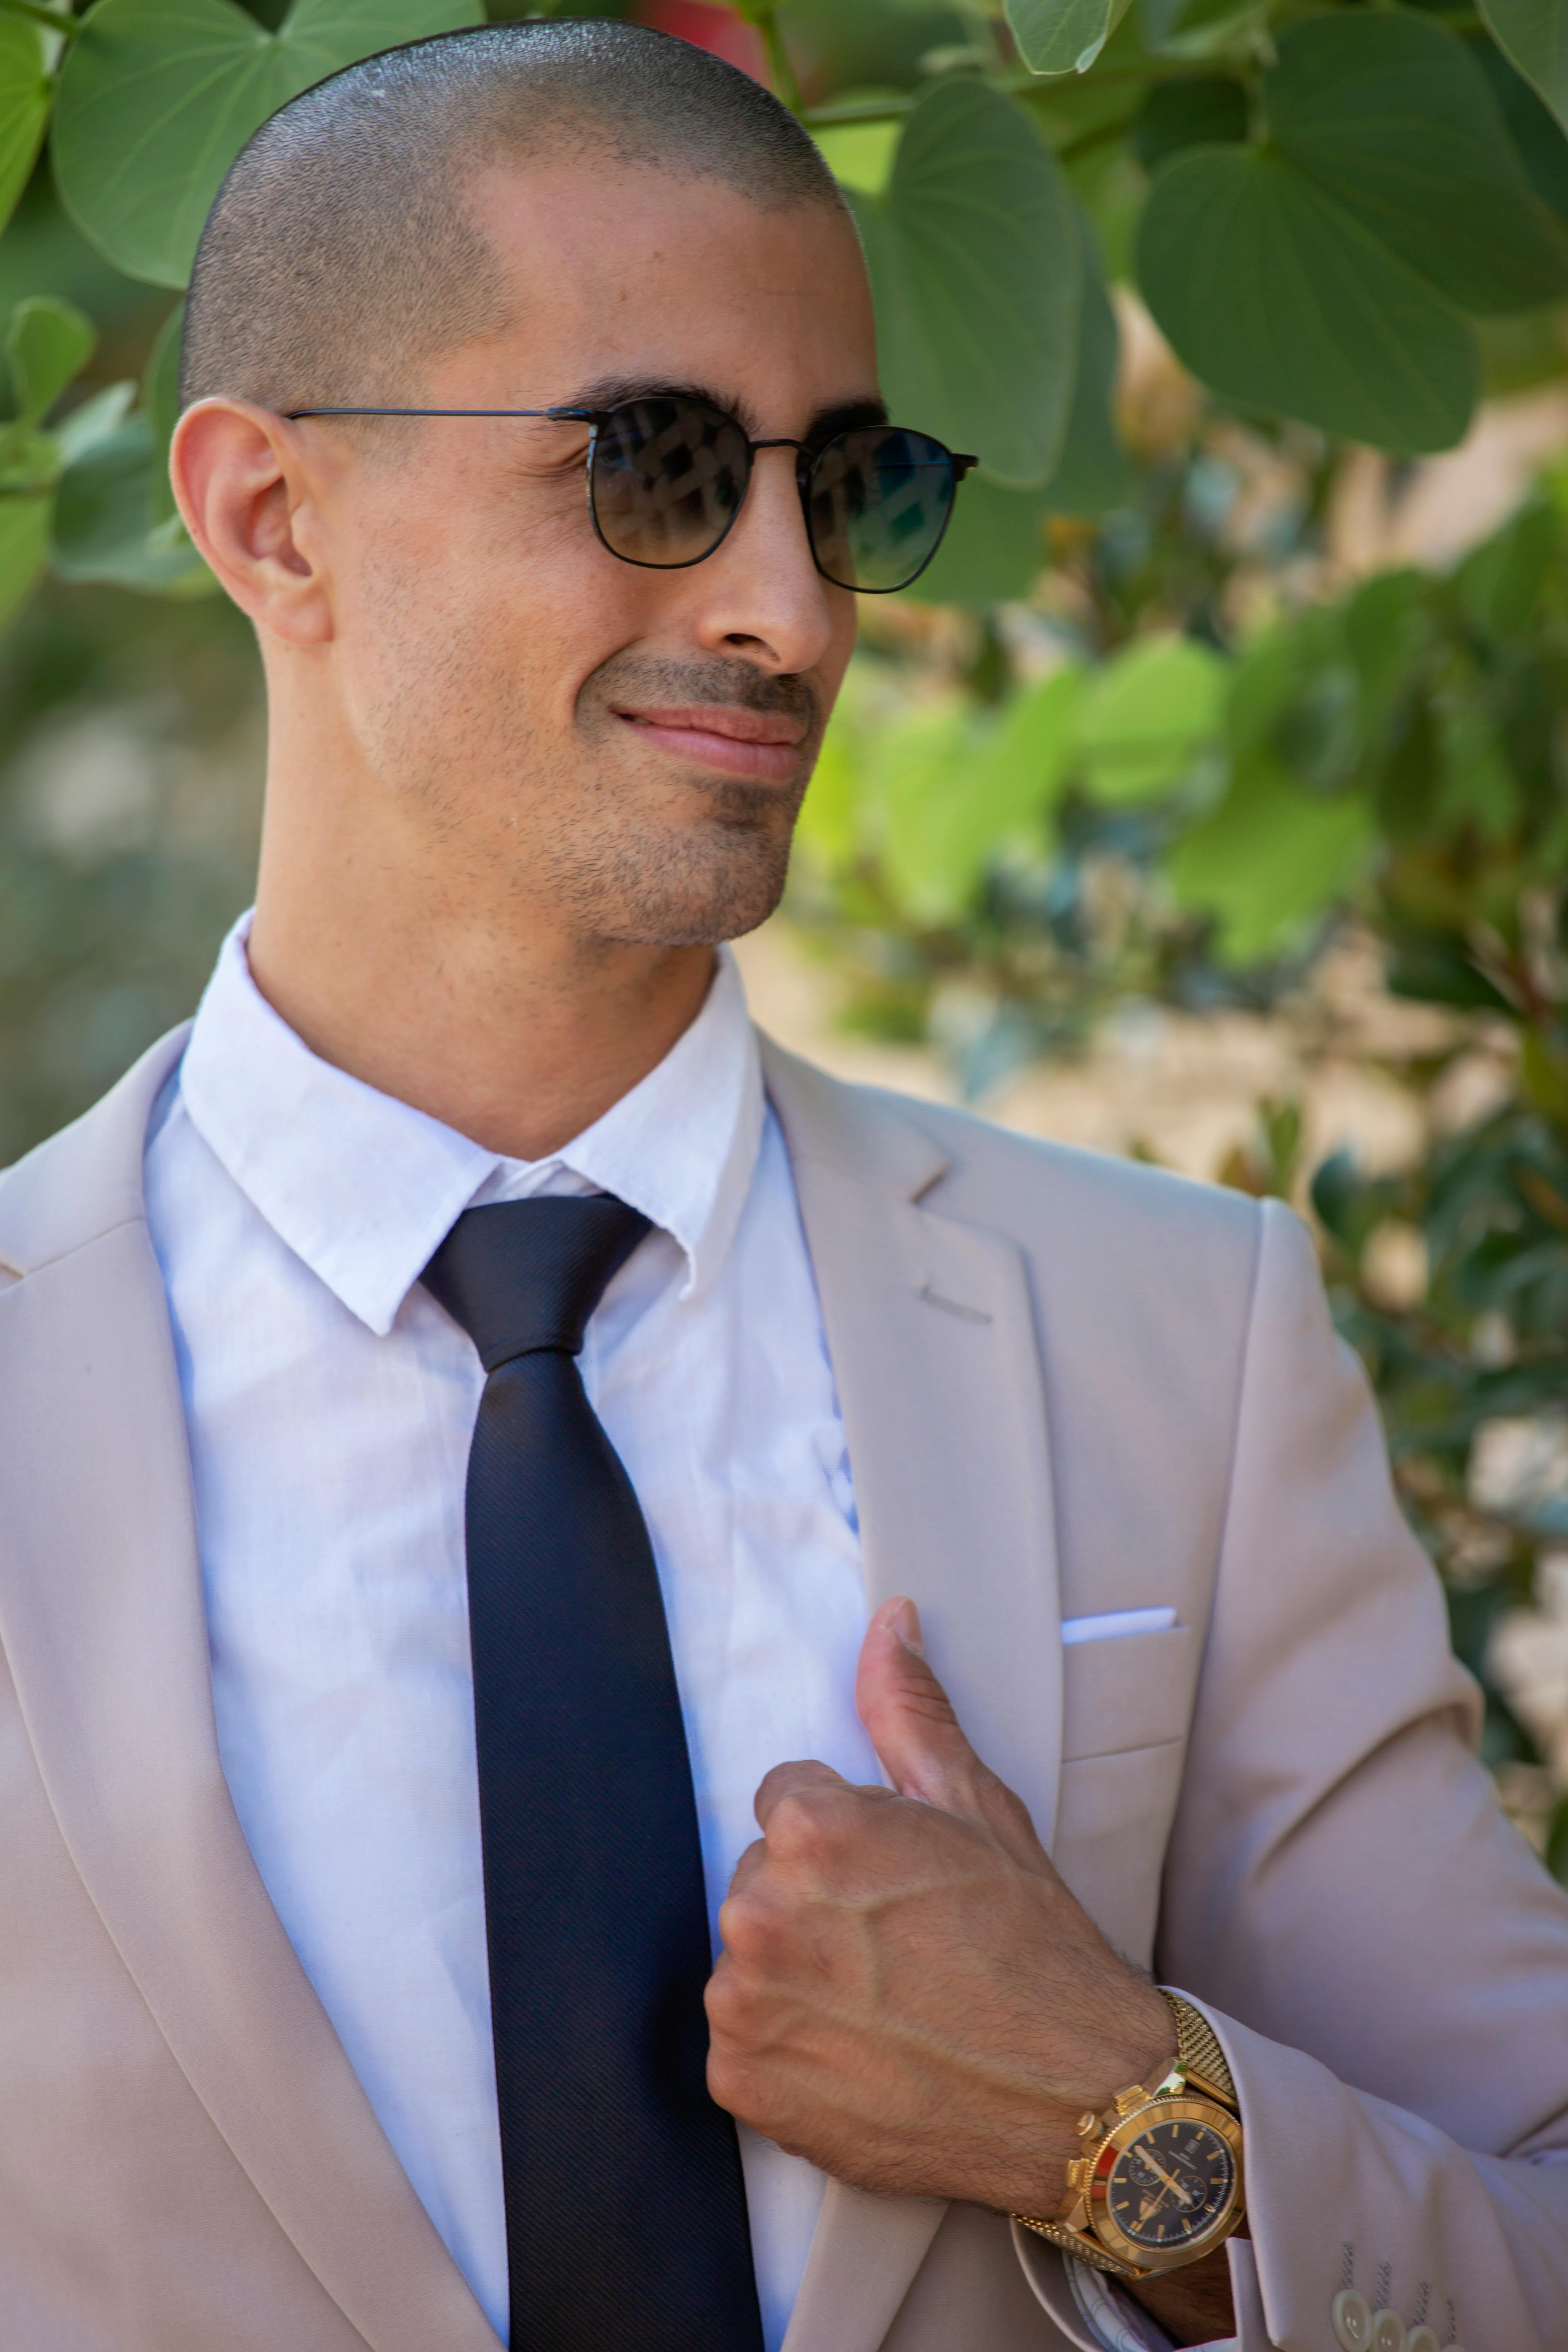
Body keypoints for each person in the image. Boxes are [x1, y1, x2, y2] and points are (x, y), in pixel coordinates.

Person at [0, 19, 1563, 2352]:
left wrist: (1122, 2120)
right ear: (267, 516)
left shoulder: (1175, 1341)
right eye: (656, 466)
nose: (795, 611)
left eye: (842, 490)